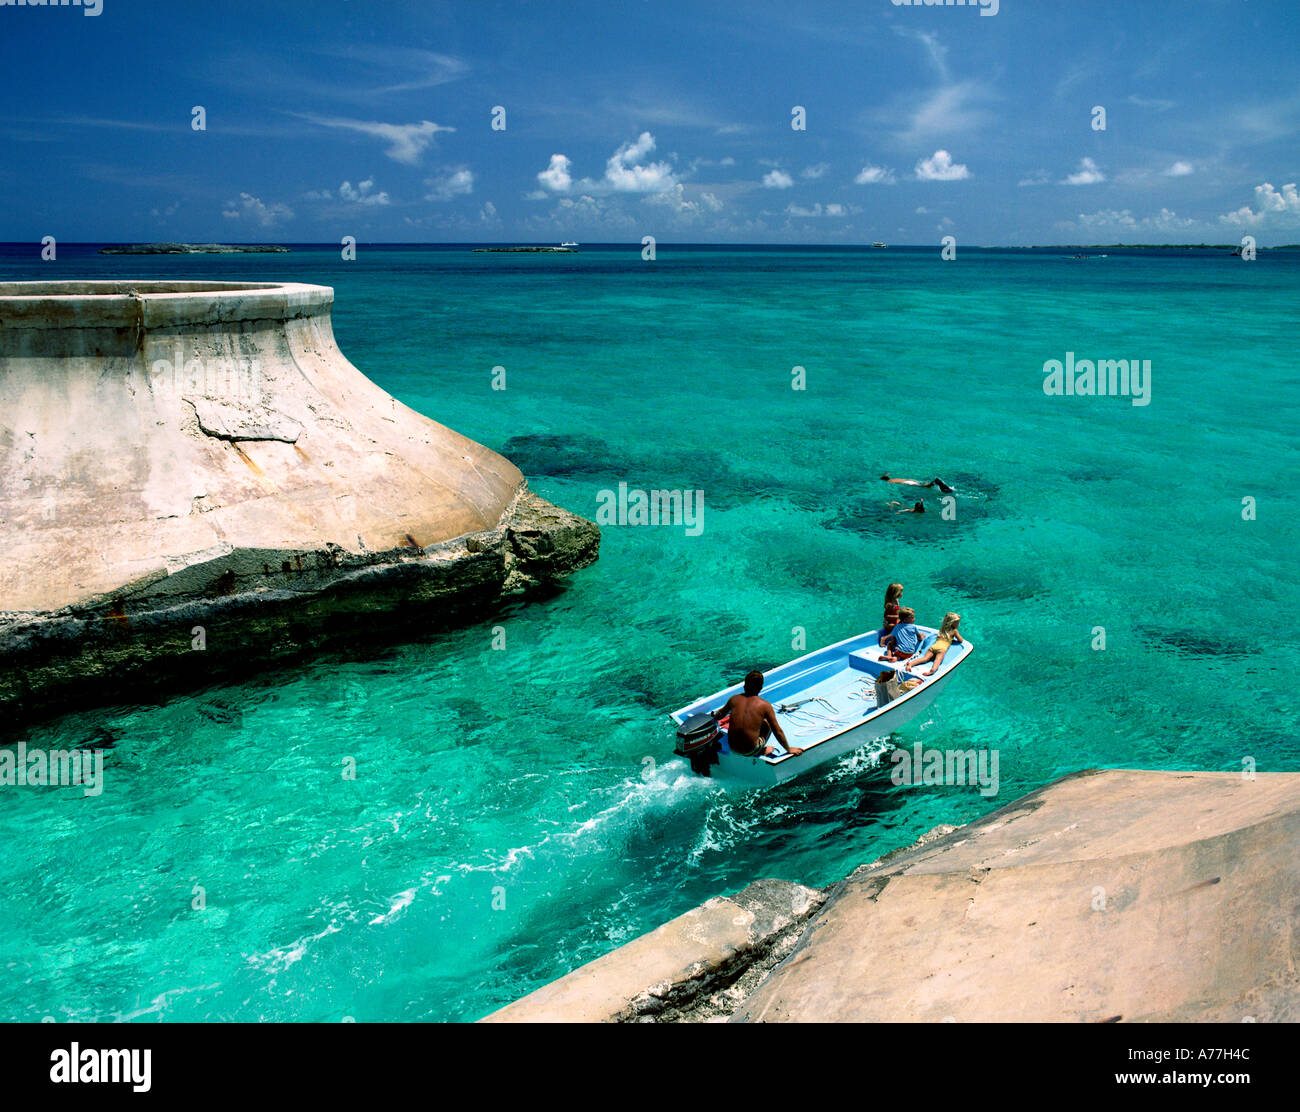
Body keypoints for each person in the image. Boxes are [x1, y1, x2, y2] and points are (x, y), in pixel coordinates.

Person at [712, 670, 804, 757]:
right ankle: (761, 750)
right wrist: (788, 749)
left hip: (732, 747)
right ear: (761, 688)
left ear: (744, 686)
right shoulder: (765, 705)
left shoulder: (734, 699)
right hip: (749, 751)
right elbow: (777, 731)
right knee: (767, 724)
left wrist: (713, 718)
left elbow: (720, 714)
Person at [881, 473, 955, 494]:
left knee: (923, 486)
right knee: (922, 484)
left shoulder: (889, 481)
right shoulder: (893, 478)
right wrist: (886, 474)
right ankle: (935, 483)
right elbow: (886, 475)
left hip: (908, 482)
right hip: (910, 480)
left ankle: (934, 483)